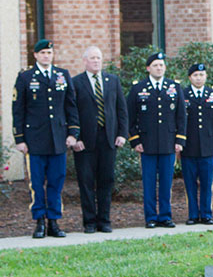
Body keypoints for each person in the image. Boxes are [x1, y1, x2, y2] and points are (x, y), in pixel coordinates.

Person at [13, 39, 79, 238]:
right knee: (37, 183)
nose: (46, 56)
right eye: (42, 53)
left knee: (56, 182)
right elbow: (18, 110)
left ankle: (54, 222)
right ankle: (39, 221)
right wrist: (20, 139)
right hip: (35, 139)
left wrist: (73, 133)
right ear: (35, 55)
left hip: (58, 138)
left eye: (49, 53)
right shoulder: (25, 77)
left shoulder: (62, 75)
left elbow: (71, 107)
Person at [71, 45, 127, 234]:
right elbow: (72, 112)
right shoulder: (76, 82)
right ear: (85, 61)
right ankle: (89, 222)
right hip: (85, 141)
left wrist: (122, 134)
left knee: (106, 180)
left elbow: (121, 110)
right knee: (86, 181)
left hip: (108, 138)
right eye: (93, 58)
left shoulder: (113, 81)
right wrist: (75, 137)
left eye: (99, 58)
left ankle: (104, 220)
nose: (96, 61)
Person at [127, 51, 186, 229]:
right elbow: (130, 118)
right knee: (149, 183)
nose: (159, 68)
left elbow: (181, 116)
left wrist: (179, 140)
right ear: (148, 68)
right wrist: (135, 141)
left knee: (167, 183)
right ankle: (151, 217)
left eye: (161, 65)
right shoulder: (138, 88)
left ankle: (166, 216)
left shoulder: (174, 87)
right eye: (155, 65)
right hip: (147, 144)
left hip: (169, 143)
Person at [181, 63, 213, 225]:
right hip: (188, 147)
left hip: (208, 147)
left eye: (201, 75)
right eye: (195, 75)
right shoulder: (182, 94)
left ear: (206, 76)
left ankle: (206, 213)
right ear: (190, 77)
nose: (198, 78)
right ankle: (193, 214)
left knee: (207, 183)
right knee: (190, 183)